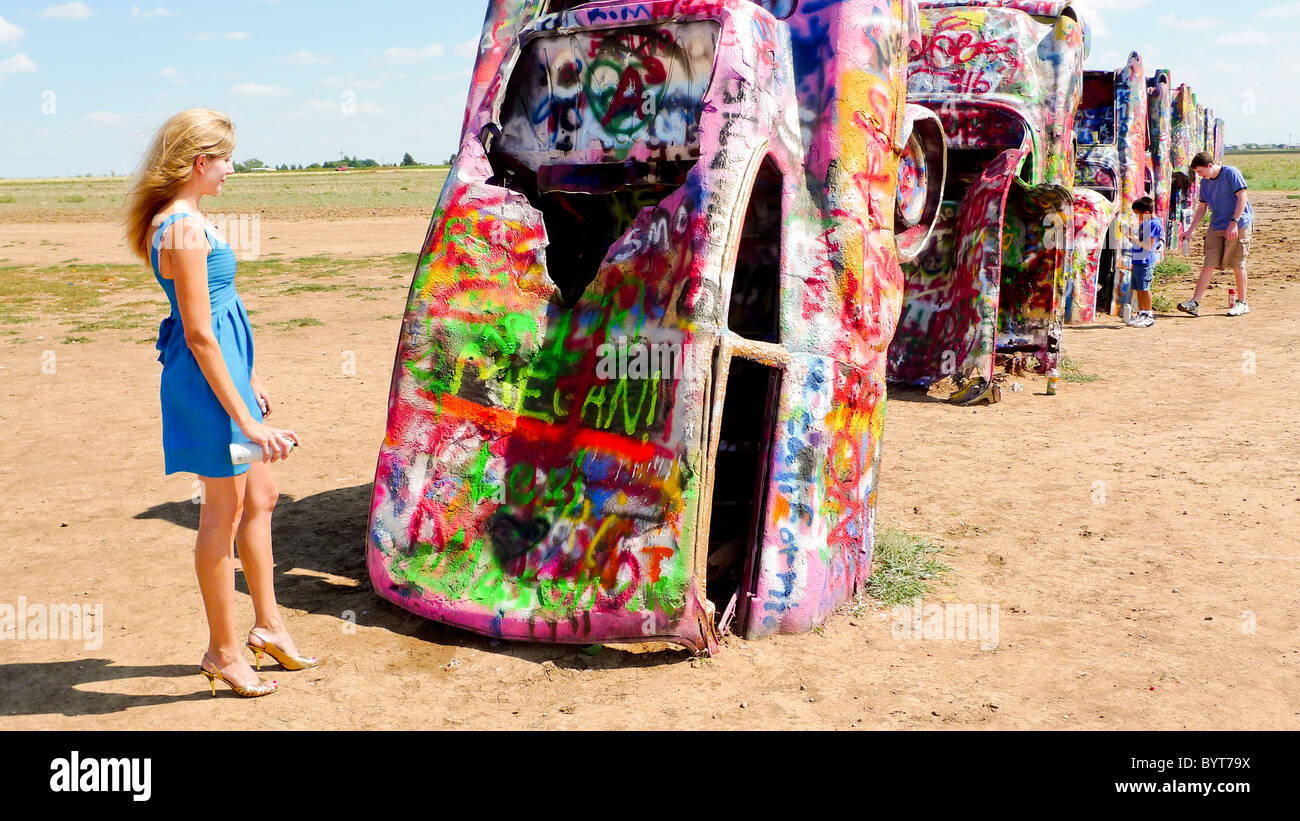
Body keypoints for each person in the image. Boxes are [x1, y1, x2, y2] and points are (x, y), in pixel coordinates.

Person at [125, 109, 317, 698]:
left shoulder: (189, 217)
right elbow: (201, 333)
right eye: (226, 159)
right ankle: (222, 651)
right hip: (206, 387)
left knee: (261, 494)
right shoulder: (180, 228)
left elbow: (220, 319)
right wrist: (242, 417)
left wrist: (249, 379)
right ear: (199, 161)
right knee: (222, 512)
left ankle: (269, 627)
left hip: (226, 376)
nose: (233, 169)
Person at [1177, 151, 1252, 317]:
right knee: (1209, 262)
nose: (1199, 175)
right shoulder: (1205, 183)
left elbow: (1242, 197)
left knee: (1237, 262)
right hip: (1217, 224)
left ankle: (1242, 302)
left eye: (1200, 171)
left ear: (1210, 166)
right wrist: (1190, 229)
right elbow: (1202, 208)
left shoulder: (1231, 173)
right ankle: (1195, 302)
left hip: (1239, 224)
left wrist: (1234, 222)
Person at [1125, 196, 1162, 328]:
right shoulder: (1145, 223)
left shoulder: (1153, 224)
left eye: (1138, 214)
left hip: (1145, 261)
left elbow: (1147, 245)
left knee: (1145, 289)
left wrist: (1132, 237)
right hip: (1138, 260)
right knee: (1139, 289)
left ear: (1146, 213)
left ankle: (1148, 314)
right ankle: (1142, 312)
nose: (1137, 217)